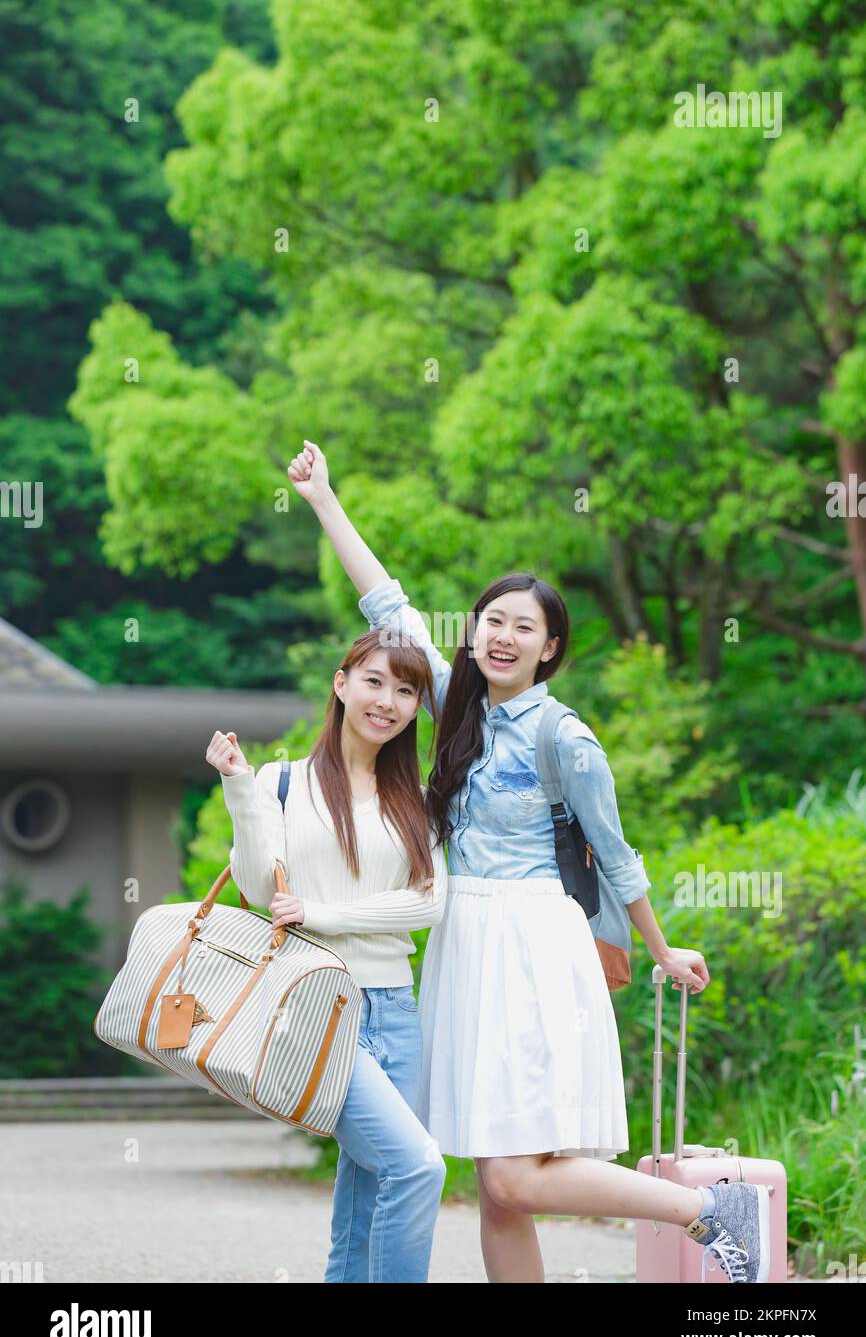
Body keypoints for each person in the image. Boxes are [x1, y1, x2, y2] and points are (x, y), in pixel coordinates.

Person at [286, 437, 773, 1285]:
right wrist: (325, 498)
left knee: (514, 1173)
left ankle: (709, 1211)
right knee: (497, 1187)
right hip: (464, 944)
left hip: (531, 947)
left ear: (550, 649)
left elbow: (618, 857)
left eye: (525, 628)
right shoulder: (452, 702)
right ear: (473, 634)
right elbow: (384, 603)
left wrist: (659, 948)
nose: (503, 636)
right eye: (493, 622)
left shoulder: (565, 736)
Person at [206, 624, 449, 1283]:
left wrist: (325, 914)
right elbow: (260, 889)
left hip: (395, 1011)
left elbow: (429, 903)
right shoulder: (282, 783)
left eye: (406, 690)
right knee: (417, 1164)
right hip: (318, 1007)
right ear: (341, 684)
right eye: (374, 681)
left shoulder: (417, 802)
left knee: (371, 1185)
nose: (387, 701)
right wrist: (238, 788)